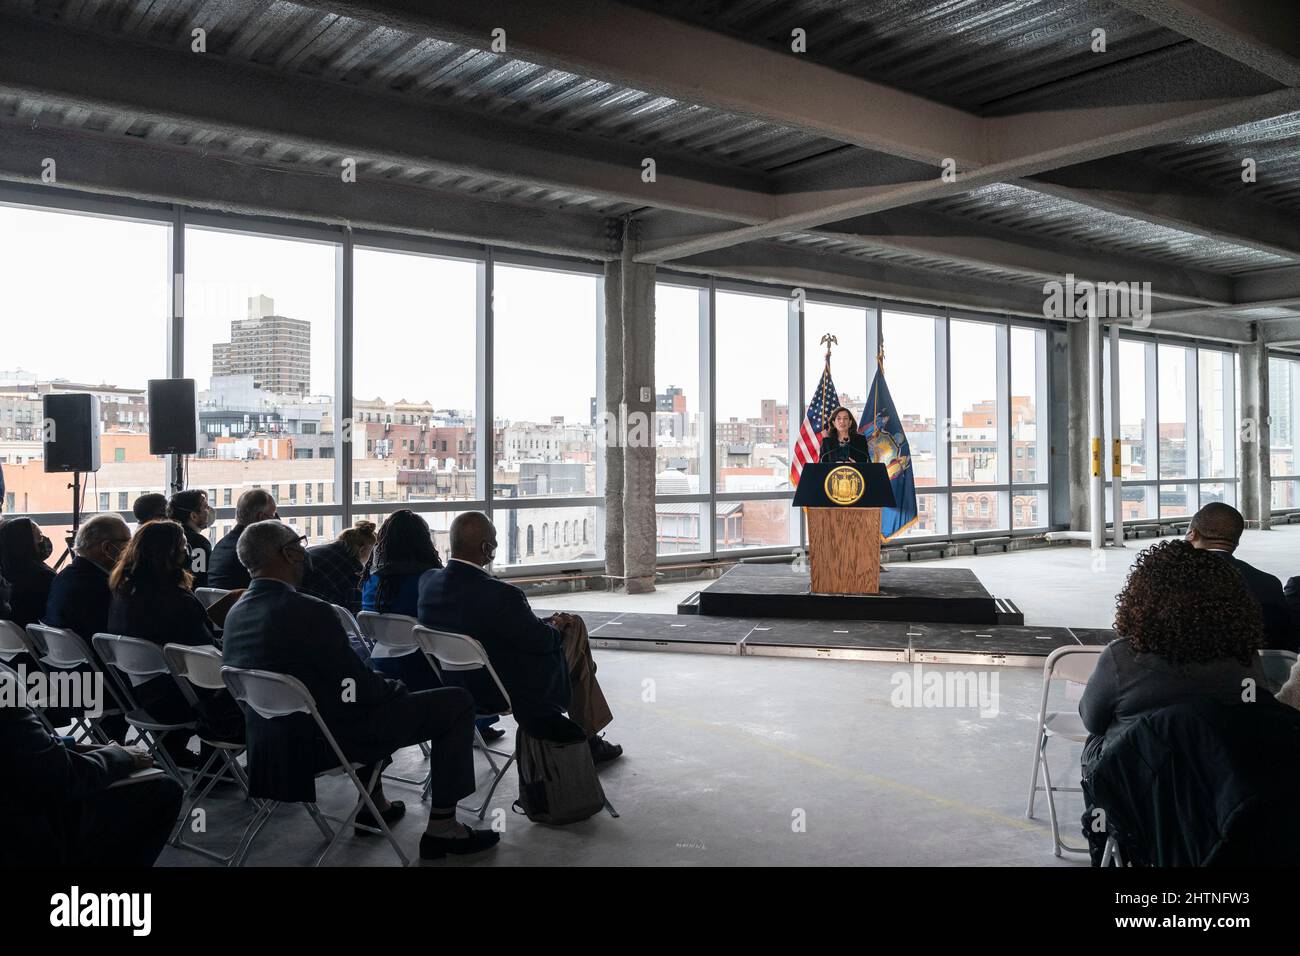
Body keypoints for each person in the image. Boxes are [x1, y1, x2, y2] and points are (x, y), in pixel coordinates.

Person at [222, 520, 498, 860]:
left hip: (270, 744)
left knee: (359, 702)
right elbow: (355, 684)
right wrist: (394, 689)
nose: (305, 552)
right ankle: (443, 826)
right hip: (328, 741)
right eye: (300, 544)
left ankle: (375, 803)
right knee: (455, 702)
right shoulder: (310, 611)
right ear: (289, 553)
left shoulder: (236, 612)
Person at [1078, 538, 1270, 861]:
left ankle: (1105, 847)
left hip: (1138, 788)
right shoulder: (1245, 660)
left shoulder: (1122, 657)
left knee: (1095, 741)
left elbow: (1090, 717)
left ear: (1143, 597)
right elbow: (1257, 711)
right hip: (1217, 784)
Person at [418, 512, 623, 765]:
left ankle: (589, 739)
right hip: (505, 690)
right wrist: (556, 626)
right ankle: (589, 741)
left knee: (577, 657)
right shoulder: (503, 594)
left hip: (453, 684)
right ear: (487, 548)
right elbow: (543, 642)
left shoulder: (428, 583)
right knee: (575, 632)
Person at [0, 693, 183, 867]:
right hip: (23, 828)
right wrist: (120, 755)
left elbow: (18, 741)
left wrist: (80, 747)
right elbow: (60, 777)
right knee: (162, 789)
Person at [361, 510, 500, 739]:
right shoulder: (427, 580)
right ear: (423, 540)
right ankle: (478, 725)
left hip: (380, 666)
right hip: (424, 670)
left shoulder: (371, 580)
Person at [106, 520, 234, 765]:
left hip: (143, 693)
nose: (187, 553)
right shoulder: (178, 601)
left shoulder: (123, 592)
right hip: (183, 700)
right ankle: (216, 765)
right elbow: (204, 651)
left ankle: (178, 754)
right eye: (184, 547)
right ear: (169, 554)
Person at [1185, 502, 1295, 651]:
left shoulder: (1165, 578)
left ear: (1192, 534)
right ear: (1236, 543)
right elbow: (1283, 644)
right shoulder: (1269, 584)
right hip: (1253, 670)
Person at [44, 514, 131, 646]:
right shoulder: (99, 586)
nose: (131, 549)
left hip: (64, 660)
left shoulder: (63, 576)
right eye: (128, 542)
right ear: (107, 548)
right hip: (95, 660)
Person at [301, 519, 377, 614]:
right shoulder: (355, 570)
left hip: (293, 606)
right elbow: (355, 612)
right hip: (319, 614)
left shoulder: (313, 549)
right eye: (372, 552)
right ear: (362, 550)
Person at [208, 489, 277, 590]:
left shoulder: (220, 546)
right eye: (273, 515)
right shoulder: (253, 549)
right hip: (245, 604)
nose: (276, 521)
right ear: (261, 518)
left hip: (222, 604)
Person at [0, 517, 56, 628]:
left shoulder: (4, 575)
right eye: (39, 537)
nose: (44, 541)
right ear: (25, 543)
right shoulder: (44, 577)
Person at [167, 489, 215, 591]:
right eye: (205, 507)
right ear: (193, 516)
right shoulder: (200, 543)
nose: (209, 511)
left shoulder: (166, 537)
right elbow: (201, 583)